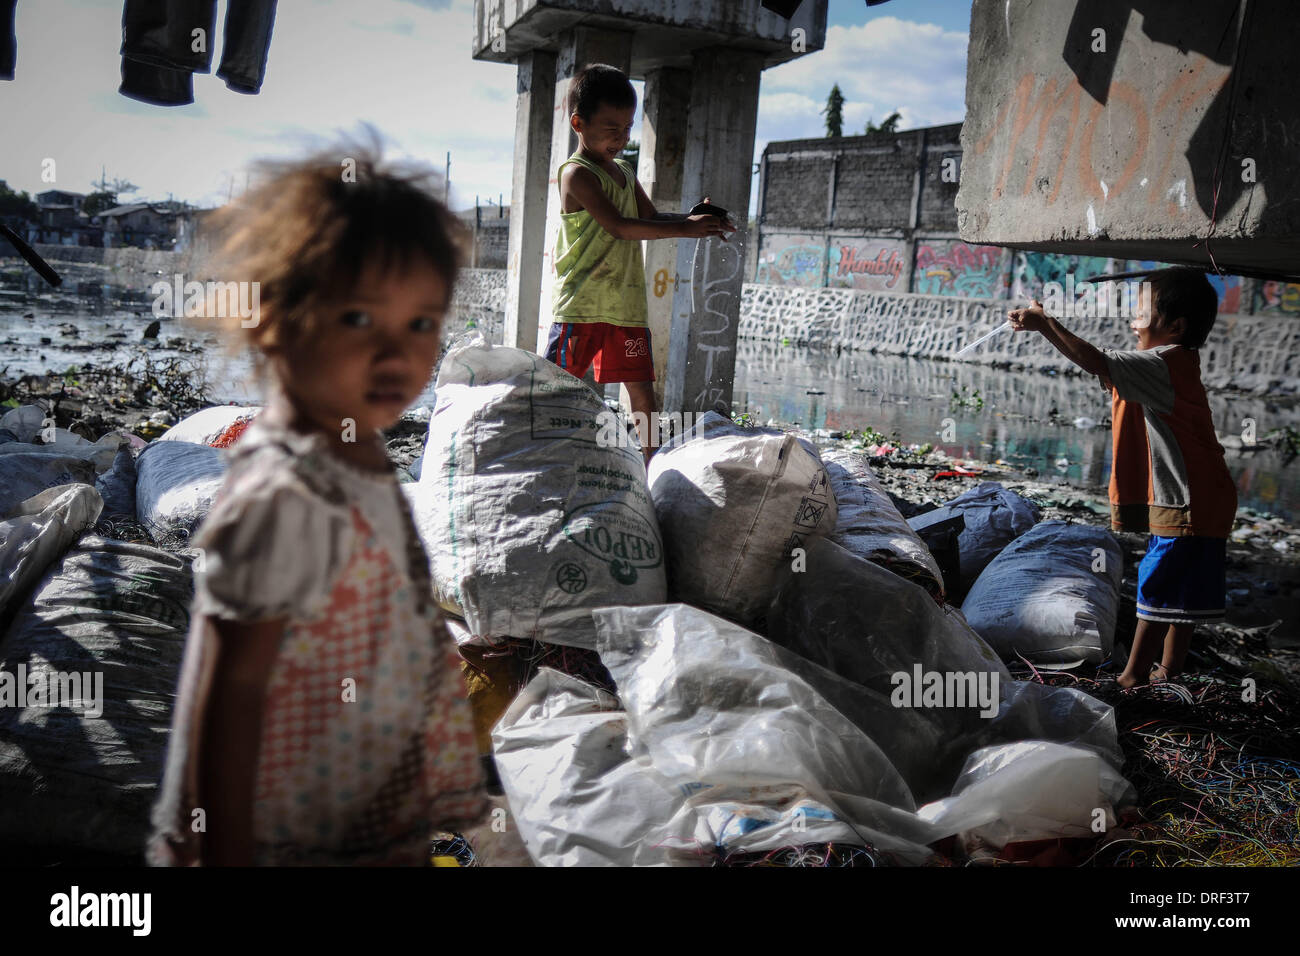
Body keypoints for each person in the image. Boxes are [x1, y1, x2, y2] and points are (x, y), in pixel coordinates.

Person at [148, 140, 486, 866]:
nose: (399, 354)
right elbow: (229, 696)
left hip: (359, 803)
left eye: (422, 323)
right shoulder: (285, 493)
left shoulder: (356, 445)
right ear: (276, 320)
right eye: (361, 320)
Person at [1007, 267, 1237, 688]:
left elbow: (1096, 360)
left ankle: (1132, 677)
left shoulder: (1163, 363)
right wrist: (1044, 323)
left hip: (1187, 499)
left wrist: (1045, 324)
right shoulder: (1175, 361)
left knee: (1157, 585)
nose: (1132, 322)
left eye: (1140, 312)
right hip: (1207, 496)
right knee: (1184, 590)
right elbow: (1105, 368)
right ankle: (1168, 672)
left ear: (1175, 325)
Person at [547, 63, 735, 463]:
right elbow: (617, 226)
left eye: (628, 127)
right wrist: (685, 231)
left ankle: (652, 463)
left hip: (626, 306)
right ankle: (544, 457)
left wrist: (694, 220)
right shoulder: (576, 174)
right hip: (581, 306)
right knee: (558, 388)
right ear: (578, 122)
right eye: (611, 128)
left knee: (642, 389)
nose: (622, 137)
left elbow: (648, 219)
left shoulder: (625, 172)